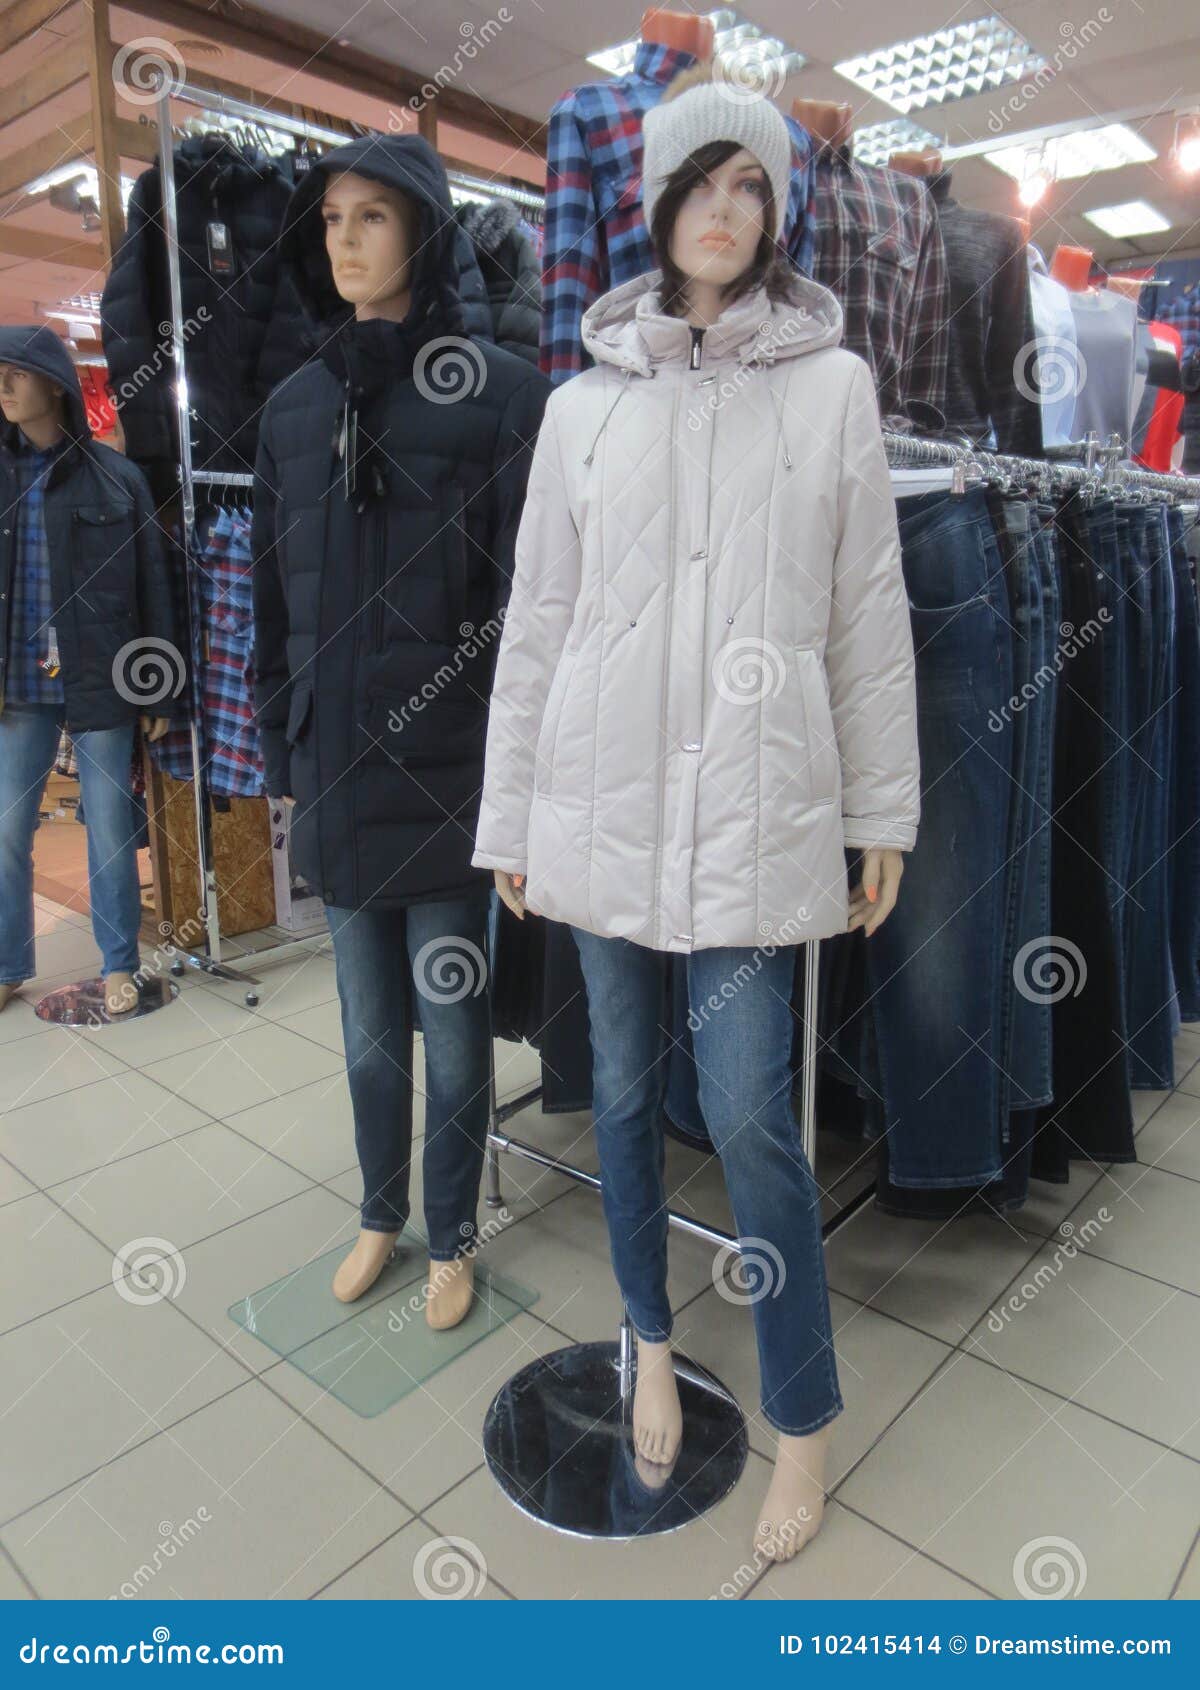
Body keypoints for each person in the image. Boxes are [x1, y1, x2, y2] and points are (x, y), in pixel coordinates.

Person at [473, 69, 921, 1559]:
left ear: (778, 208)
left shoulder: (834, 388)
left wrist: (885, 808)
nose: (724, 212)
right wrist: (510, 814)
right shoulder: (584, 406)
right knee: (612, 1099)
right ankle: (648, 1336)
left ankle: (805, 1417)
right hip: (595, 808)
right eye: (699, 183)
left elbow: (866, 615)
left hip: (752, 812)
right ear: (654, 201)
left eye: (751, 187)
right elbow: (538, 621)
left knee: (749, 1121)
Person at [253, 135, 548, 1325]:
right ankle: (381, 1213)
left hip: (451, 769)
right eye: (331, 219)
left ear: (421, 233)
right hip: (335, 763)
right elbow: (278, 605)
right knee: (367, 1019)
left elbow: (535, 609)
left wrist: (518, 773)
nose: (345, 239)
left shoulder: (503, 397)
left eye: (372, 217)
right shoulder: (291, 409)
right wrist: (286, 748)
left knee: (450, 1013)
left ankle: (453, 1231)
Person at [0, 327, 175, 1019]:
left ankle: (118, 964)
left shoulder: (116, 477)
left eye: (16, 373)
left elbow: (154, 586)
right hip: (19, 681)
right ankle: (11, 963)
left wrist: (160, 684)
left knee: (108, 824)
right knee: (9, 825)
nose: (5, 386)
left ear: (55, 385)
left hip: (102, 677)